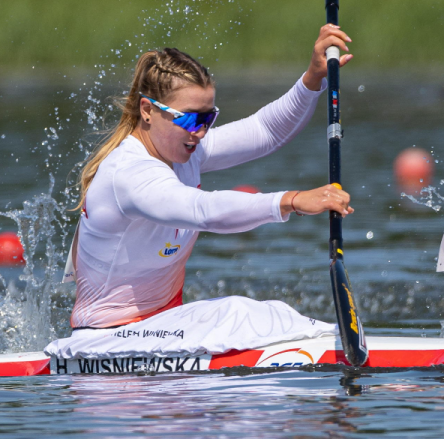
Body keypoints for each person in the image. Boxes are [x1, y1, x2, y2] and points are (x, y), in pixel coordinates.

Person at [66, 24, 354, 330]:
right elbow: (202, 210)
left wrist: (313, 78)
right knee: (239, 313)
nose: (200, 132)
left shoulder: (184, 149)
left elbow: (264, 130)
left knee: (265, 314)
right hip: (108, 336)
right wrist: (290, 201)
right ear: (147, 110)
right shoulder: (130, 173)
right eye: (190, 118)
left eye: (208, 118)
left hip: (160, 327)